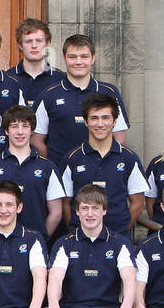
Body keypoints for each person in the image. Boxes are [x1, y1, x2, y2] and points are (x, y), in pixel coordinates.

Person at [60, 92, 149, 237]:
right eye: (94, 118)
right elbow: (65, 203)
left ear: (114, 121)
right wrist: (75, 232)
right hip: (80, 241)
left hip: (118, 240)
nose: (100, 124)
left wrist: (120, 232)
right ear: (86, 121)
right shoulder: (72, 159)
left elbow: (138, 203)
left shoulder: (129, 158)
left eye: (105, 118)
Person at [32, 34, 127, 164]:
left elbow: (119, 136)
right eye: (72, 57)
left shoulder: (110, 92)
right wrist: (54, 165)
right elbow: (36, 140)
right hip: (61, 173)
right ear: (64, 58)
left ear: (93, 58)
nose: (78, 62)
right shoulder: (49, 94)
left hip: (100, 169)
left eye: (84, 56)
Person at [0, 105, 65, 237]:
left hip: (36, 248)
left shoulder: (48, 168)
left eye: (25, 126)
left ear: (32, 130)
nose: (20, 132)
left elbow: (56, 213)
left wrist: (40, 239)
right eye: (14, 126)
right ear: (6, 131)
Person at [8, 18, 64, 109]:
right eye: (28, 41)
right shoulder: (8, 79)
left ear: (47, 43)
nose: (34, 46)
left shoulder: (61, 80)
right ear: (20, 45)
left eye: (39, 40)